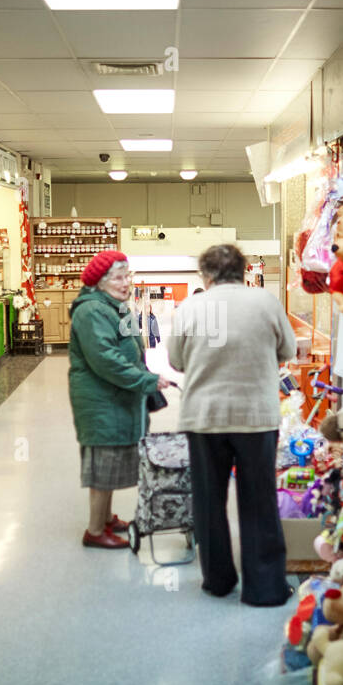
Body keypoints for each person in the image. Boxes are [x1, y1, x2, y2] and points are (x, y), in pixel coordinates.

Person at [167, 244, 297, 606]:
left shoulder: (191, 307)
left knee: (209, 501)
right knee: (259, 500)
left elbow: (176, 360)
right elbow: (288, 351)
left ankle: (219, 580)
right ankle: (265, 588)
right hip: (255, 416)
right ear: (242, 271)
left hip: (204, 417)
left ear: (205, 276)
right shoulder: (265, 303)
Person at [68, 250, 170, 549]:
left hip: (115, 396)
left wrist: (145, 375)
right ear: (100, 282)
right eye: (118, 278)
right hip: (101, 399)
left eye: (128, 276)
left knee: (110, 460)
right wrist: (146, 380)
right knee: (103, 462)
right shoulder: (91, 311)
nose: (126, 283)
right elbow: (106, 360)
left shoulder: (114, 306)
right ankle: (95, 530)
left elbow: (130, 350)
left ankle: (106, 518)